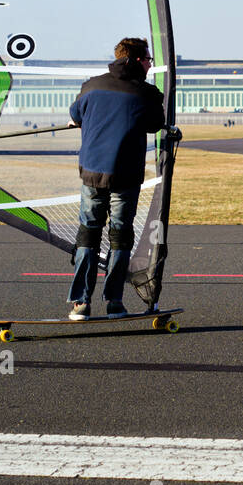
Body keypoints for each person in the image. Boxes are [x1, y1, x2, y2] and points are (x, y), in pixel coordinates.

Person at [66, 37, 165, 320]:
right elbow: (155, 124)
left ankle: (80, 303)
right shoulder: (146, 93)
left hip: (92, 174)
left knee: (88, 234)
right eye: (147, 59)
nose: (149, 64)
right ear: (135, 60)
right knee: (120, 238)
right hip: (125, 176)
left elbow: (75, 114)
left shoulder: (91, 85)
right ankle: (114, 302)